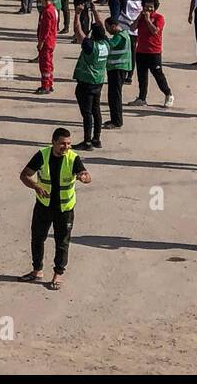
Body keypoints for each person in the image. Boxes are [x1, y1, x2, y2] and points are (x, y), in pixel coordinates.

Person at [19, 128, 91, 291]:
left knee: (62, 242)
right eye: (62, 144)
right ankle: (37, 270)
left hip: (65, 209)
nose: (66, 147)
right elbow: (24, 175)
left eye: (69, 144)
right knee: (37, 238)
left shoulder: (73, 158)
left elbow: (86, 174)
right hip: (44, 206)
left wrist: (84, 177)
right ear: (53, 143)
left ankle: (58, 274)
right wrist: (36, 186)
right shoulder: (42, 155)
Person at [72, 23, 109, 150]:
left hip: (86, 82)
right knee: (96, 110)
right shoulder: (106, 44)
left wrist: (77, 15)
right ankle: (96, 139)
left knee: (87, 113)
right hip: (98, 82)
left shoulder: (90, 46)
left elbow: (78, 31)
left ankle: (87, 142)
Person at [132, 0, 174, 108]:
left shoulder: (159, 18)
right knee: (142, 76)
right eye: (146, 7)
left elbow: (155, 31)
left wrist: (147, 20)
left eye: (151, 7)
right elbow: (132, 28)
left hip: (154, 52)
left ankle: (168, 94)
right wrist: (139, 19)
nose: (149, 9)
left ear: (155, 7)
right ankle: (142, 98)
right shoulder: (141, 17)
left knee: (158, 75)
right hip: (141, 51)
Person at [102, 17, 133, 130]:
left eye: (108, 28)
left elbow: (108, 46)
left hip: (118, 69)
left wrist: (102, 38)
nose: (107, 30)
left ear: (114, 26)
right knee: (113, 95)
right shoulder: (124, 34)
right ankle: (114, 118)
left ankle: (117, 121)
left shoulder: (119, 37)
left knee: (115, 96)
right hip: (117, 69)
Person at [35, 0, 59, 95]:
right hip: (51, 40)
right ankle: (49, 83)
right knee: (49, 64)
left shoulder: (47, 12)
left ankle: (45, 85)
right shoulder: (53, 10)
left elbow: (45, 29)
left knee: (45, 65)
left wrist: (41, 42)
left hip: (46, 42)